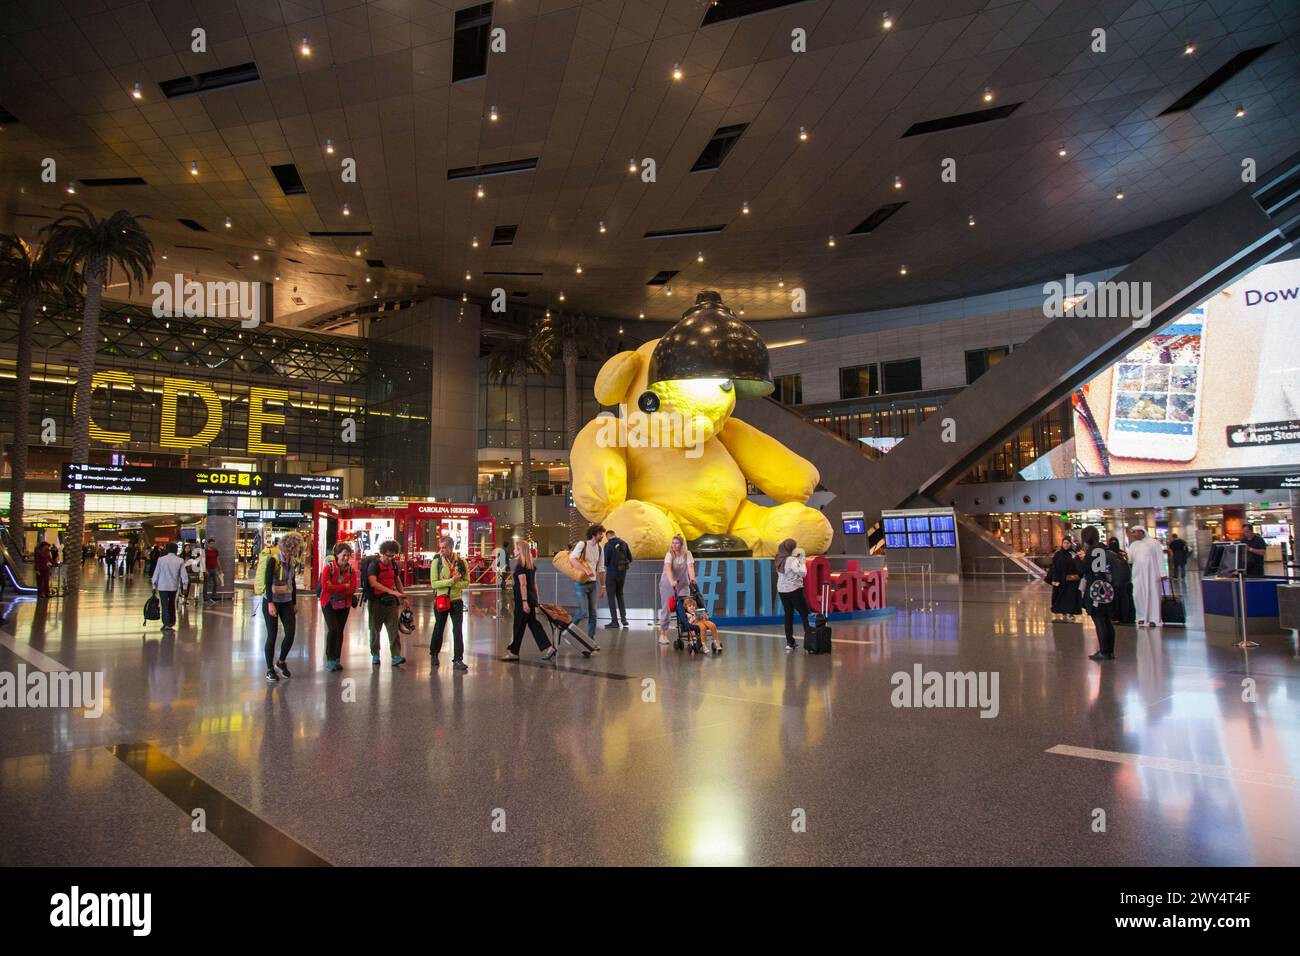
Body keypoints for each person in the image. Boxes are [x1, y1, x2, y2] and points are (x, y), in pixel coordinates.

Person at [501, 538, 556, 662]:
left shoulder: (520, 567)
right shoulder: (531, 566)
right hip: (531, 598)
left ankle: (514, 652)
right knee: (533, 623)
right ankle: (549, 647)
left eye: (515, 549)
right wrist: (536, 599)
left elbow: (523, 585)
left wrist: (524, 602)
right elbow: (534, 584)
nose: (513, 551)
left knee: (518, 625)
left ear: (520, 551)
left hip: (523, 600)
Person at [262, 532, 303, 683]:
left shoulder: (293, 562)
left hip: (286, 601)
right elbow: (267, 582)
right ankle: (269, 669)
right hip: (271, 600)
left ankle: (281, 661)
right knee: (272, 635)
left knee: (290, 633)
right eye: (287, 550)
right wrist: (270, 603)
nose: (289, 553)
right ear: (283, 547)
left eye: (292, 550)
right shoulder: (273, 560)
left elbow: (292, 583)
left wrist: (294, 603)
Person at [366, 540, 409, 667]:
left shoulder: (393, 564)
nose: (389, 558)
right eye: (388, 555)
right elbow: (373, 583)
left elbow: (397, 580)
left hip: (390, 602)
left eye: (392, 556)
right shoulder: (374, 565)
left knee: (393, 629)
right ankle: (375, 654)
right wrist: (392, 592)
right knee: (375, 629)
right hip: (376, 602)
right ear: (382, 553)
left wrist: (403, 595)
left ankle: (396, 655)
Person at [430, 536, 469, 671]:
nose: (441, 550)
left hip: (456, 601)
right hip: (441, 599)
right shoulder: (436, 562)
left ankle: (458, 659)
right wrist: (452, 581)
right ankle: (434, 654)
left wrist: (455, 583)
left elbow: (466, 582)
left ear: (451, 547)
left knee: (457, 630)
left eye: (444, 547)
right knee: (439, 628)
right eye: (440, 547)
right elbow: (434, 583)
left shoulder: (462, 562)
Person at [319, 542, 358, 672]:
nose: (346, 558)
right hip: (328, 603)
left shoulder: (351, 571)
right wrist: (343, 586)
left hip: (344, 604)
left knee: (340, 630)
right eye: (343, 555)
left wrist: (336, 588)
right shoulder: (328, 568)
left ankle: (336, 658)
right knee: (333, 629)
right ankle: (330, 658)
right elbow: (325, 587)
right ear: (337, 555)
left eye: (348, 555)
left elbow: (352, 589)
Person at [1080, 526, 1116, 660]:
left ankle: (1104, 651)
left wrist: (1078, 559)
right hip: (1106, 587)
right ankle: (1110, 650)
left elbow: (1083, 568)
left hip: (1095, 588)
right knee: (1107, 620)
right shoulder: (1104, 549)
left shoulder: (1092, 551)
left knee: (1099, 620)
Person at [774, 537, 810, 651]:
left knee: (788, 615)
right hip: (794, 589)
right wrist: (802, 561)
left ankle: (790, 642)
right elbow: (803, 573)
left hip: (782, 591)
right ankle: (810, 641)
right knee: (805, 614)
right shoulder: (792, 560)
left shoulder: (778, 558)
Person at [659, 534, 695, 645]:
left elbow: (690, 567)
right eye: (673, 543)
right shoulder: (669, 554)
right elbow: (668, 568)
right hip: (668, 583)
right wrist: (671, 581)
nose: (674, 545)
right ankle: (663, 634)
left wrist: (692, 578)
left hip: (683, 584)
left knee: (687, 606)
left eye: (677, 543)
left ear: (681, 544)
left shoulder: (687, 554)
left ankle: (690, 632)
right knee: (667, 608)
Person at [569, 525, 605, 634]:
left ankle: (591, 638)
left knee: (593, 613)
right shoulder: (582, 544)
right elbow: (572, 559)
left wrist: (603, 586)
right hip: (580, 583)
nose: (602, 536)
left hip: (593, 584)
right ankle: (568, 629)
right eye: (600, 534)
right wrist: (585, 569)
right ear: (593, 534)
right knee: (582, 612)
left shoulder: (600, 549)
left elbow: (601, 569)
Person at [1127, 526, 1164, 627]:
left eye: (1135, 532)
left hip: (1152, 574)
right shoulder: (1133, 545)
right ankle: (1141, 617)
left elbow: (1160, 558)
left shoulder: (1154, 543)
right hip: (1138, 574)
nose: (1133, 535)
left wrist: (1162, 573)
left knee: (1153, 595)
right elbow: (1130, 559)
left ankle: (1154, 618)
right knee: (1137, 595)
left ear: (1141, 532)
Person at [151, 543, 188, 632]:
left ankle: (166, 623)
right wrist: (185, 586)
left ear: (167, 550)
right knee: (172, 604)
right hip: (173, 586)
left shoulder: (161, 560)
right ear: (176, 550)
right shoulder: (180, 560)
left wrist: (154, 585)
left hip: (162, 586)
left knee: (164, 605)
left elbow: (156, 573)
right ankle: (172, 622)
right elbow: (184, 575)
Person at [603, 528, 632, 629]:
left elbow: (605, 561)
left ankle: (614, 621)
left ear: (607, 536)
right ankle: (624, 619)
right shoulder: (624, 543)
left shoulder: (608, 545)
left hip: (611, 573)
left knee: (611, 597)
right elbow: (630, 558)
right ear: (614, 534)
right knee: (620, 595)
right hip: (622, 574)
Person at [1047, 537, 1082, 619]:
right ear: (1062, 544)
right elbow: (1054, 567)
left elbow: (1078, 565)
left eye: (1068, 543)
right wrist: (1054, 579)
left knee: (1071, 597)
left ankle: (1070, 612)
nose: (1066, 545)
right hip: (1061, 580)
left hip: (1072, 581)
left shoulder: (1073, 554)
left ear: (1071, 544)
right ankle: (1064, 611)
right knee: (1062, 597)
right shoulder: (1058, 554)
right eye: (1064, 543)